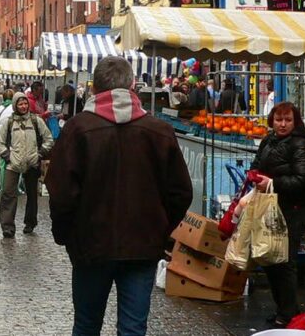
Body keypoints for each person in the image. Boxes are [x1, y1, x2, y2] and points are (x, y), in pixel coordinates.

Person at [46, 57, 194, 335]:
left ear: (93, 89)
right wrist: (162, 230)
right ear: (132, 86)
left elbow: (62, 193)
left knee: (87, 325)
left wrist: (66, 235)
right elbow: (180, 192)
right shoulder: (159, 131)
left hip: (91, 244)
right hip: (142, 244)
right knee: (133, 328)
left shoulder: (78, 129)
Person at [249, 102, 305, 327]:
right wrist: (255, 176)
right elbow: (258, 163)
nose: (282, 124)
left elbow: (303, 180)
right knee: (270, 258)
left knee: (284, 260)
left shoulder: (300, 144)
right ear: (272, 120)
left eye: (287, 120)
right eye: (278, 120)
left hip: (293, 209)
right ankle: (283, 308)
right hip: (270, 206)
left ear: (295, 121)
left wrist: (274, 183)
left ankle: (289, 313)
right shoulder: (269, 140)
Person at [0, 93, 54, 238]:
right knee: (8, 194)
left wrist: (40, 154)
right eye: (20, 104)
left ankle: (30, 223)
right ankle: (8, 226)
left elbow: (48, 139)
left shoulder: (36, 121)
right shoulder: (8, 123)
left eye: (25, 104)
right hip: (13, 164)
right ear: (15, 105)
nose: (23, 106)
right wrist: (7, 156)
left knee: (32, 195)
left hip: (32, 163)